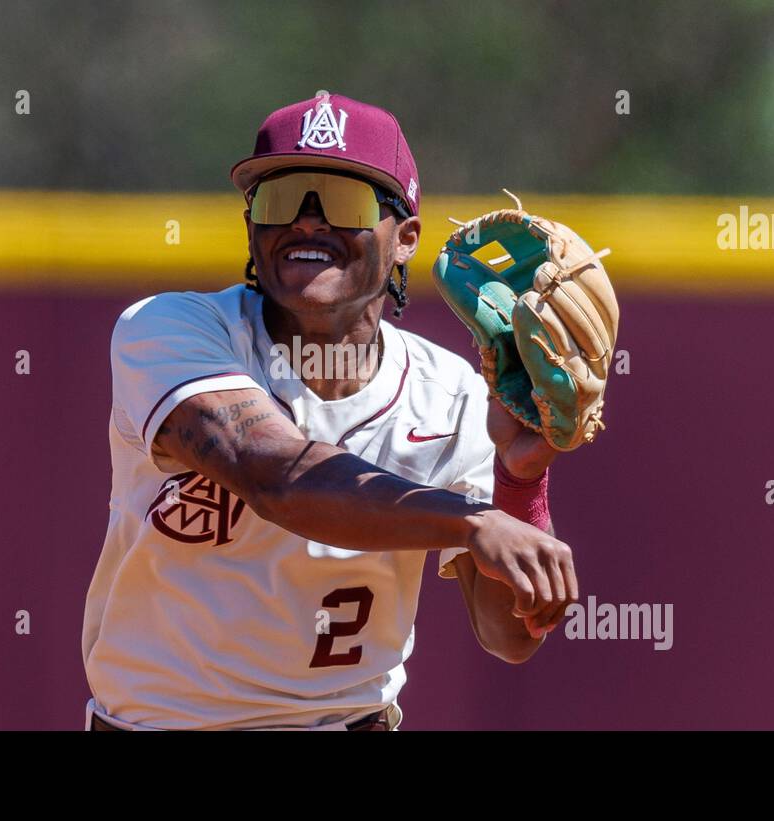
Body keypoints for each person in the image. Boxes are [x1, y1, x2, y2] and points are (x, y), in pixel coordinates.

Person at [82, 91, 577, 730]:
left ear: (406, 239)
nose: (308, 224)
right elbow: (278, 477)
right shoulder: (172, 332)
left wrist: (520, 479)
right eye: (280, 199)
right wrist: (470, 521)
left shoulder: (450, 395)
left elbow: (510, 636)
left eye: (343, 201)